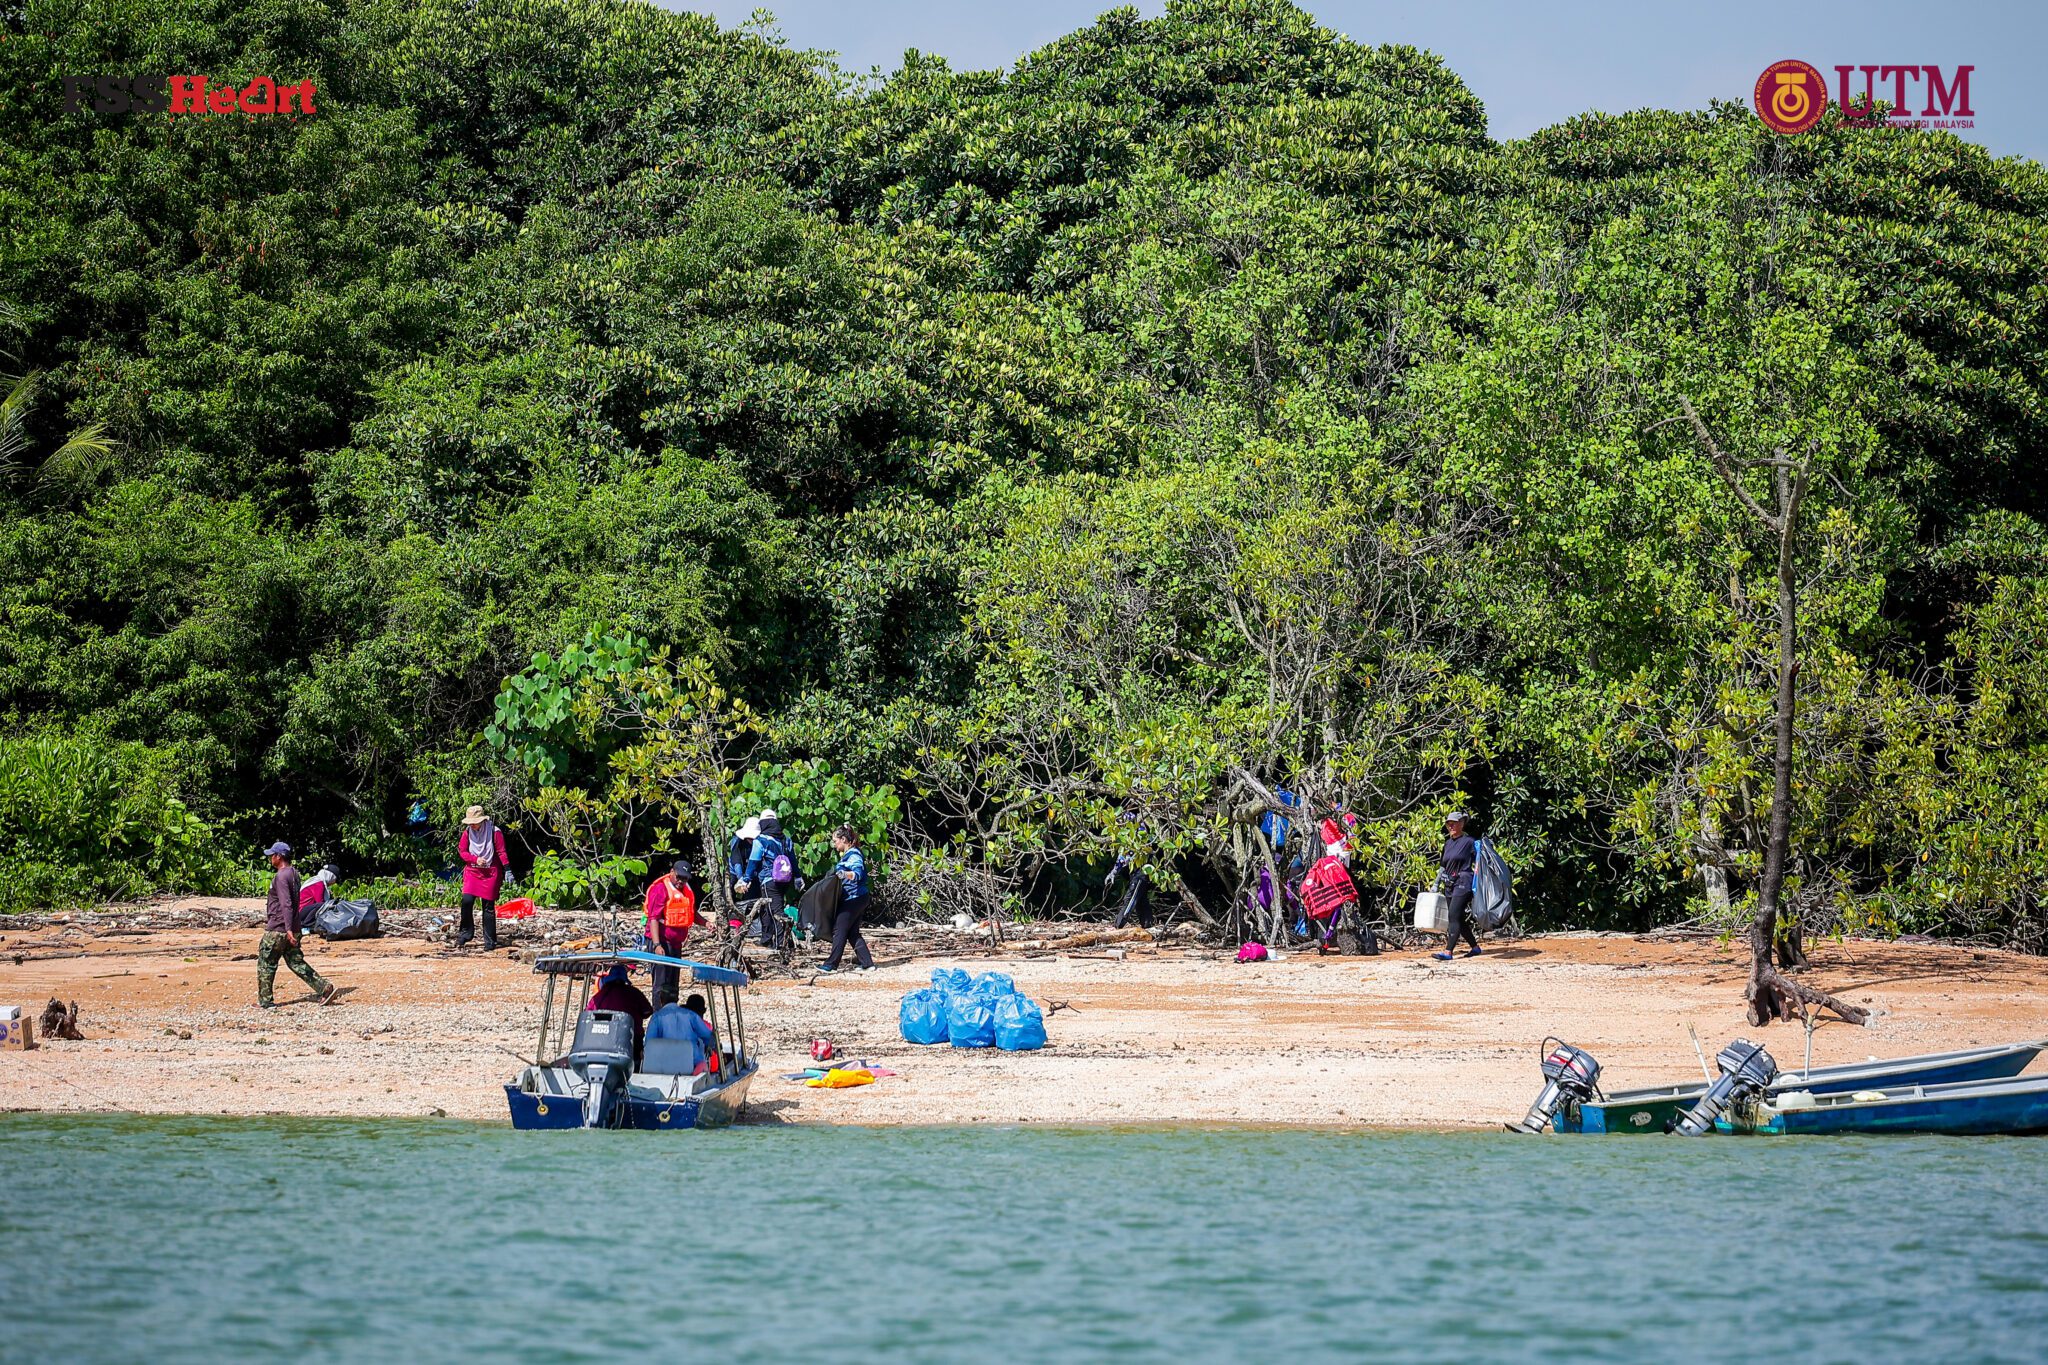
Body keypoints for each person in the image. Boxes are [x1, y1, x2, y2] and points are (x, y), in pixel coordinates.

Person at [256, 842, 338, 1009]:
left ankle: (265, 1001)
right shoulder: (294, 873)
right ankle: (323, 987)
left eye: (272, 855)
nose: (271, 858)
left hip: (279, 928)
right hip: (294, 926)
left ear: (279, 857)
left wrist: (288, 929)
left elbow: (286, 904)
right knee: (296, 962)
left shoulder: (281, 876)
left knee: (266, 963)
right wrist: (293, 928)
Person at [735, 808, 795, 948]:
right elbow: (793, 860)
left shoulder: (761, 841)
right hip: (785, 880)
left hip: (769, 881)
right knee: (767, 910)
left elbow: (753, 862)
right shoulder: (785, 839)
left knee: (776, 912)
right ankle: (767, 939)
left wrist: (745, 880)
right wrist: (798, 877)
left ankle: (781, 944)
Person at [818, 824, 874, 973]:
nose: (834, 845)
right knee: (852, 932)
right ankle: (867, 963)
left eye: (835, 841)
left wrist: (844, 874)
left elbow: (858, 874)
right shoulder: (849, 855)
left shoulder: (854, 855)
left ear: (843, 839)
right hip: (859, 897)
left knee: (839, 930)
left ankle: (831, 965)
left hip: (854, 898)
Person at [642, 860, 697, 1007]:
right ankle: (659, 1014)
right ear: (672, 872)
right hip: (660, 942)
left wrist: (707, 924)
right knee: (661, 984)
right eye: (679, 877)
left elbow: (692, 913)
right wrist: (657, 945)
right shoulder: (660, 889)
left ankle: (672, 1012)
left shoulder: (686, 891)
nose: (681, 881)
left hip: (675, 944)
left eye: (685, 878)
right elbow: (653, 918)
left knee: (673, 985)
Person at [457, 805, 509, 950]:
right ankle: (465, 933)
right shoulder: (467, 833)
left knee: (488, 906)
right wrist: (475, 859)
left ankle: (490, 941)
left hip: (490, 872)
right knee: (466, 901)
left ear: (482, 820)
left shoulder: (494, 832)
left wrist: (507, 869)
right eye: (471, 823)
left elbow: (501, 851)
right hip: (473, 871)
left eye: (475, 822)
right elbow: (462, 851)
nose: (473, 825)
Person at [1432, 810, 1481, 961]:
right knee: (1458, 918)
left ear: (1462, 824)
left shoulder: (1469, 842)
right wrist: (1436, 883)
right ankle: (1475, 948)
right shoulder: (1447, 844)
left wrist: (1478, 882)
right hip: (1449, 884)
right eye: (1448, 824)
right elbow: (1443, 866)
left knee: (1453, 915)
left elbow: (1480, 861)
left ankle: (1448, 952)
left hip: (1463, 882)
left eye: (1453, 823)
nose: (1450, 826)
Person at [587, 963, 653, 1055]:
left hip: (604, 1039)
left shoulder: (600, 996)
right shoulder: (634, 993)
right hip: (632, 1039)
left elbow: (588, 1014)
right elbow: (647, 1011)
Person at [646, 992, 719, 1074]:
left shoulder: (656, 1017)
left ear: (661, 999)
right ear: (677, 999)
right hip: (692, 1064)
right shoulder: (691, 1015)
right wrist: (711, 1046)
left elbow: (649, 1043)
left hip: (662, 1066)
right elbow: (708, 1036)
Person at [296, 864, 337, 930]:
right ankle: (306, 924)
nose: (334, 882)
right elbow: (320, 901)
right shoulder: (319, 884)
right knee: (323, 905)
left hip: (302, 910)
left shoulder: (317, 880)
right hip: (301, 911)